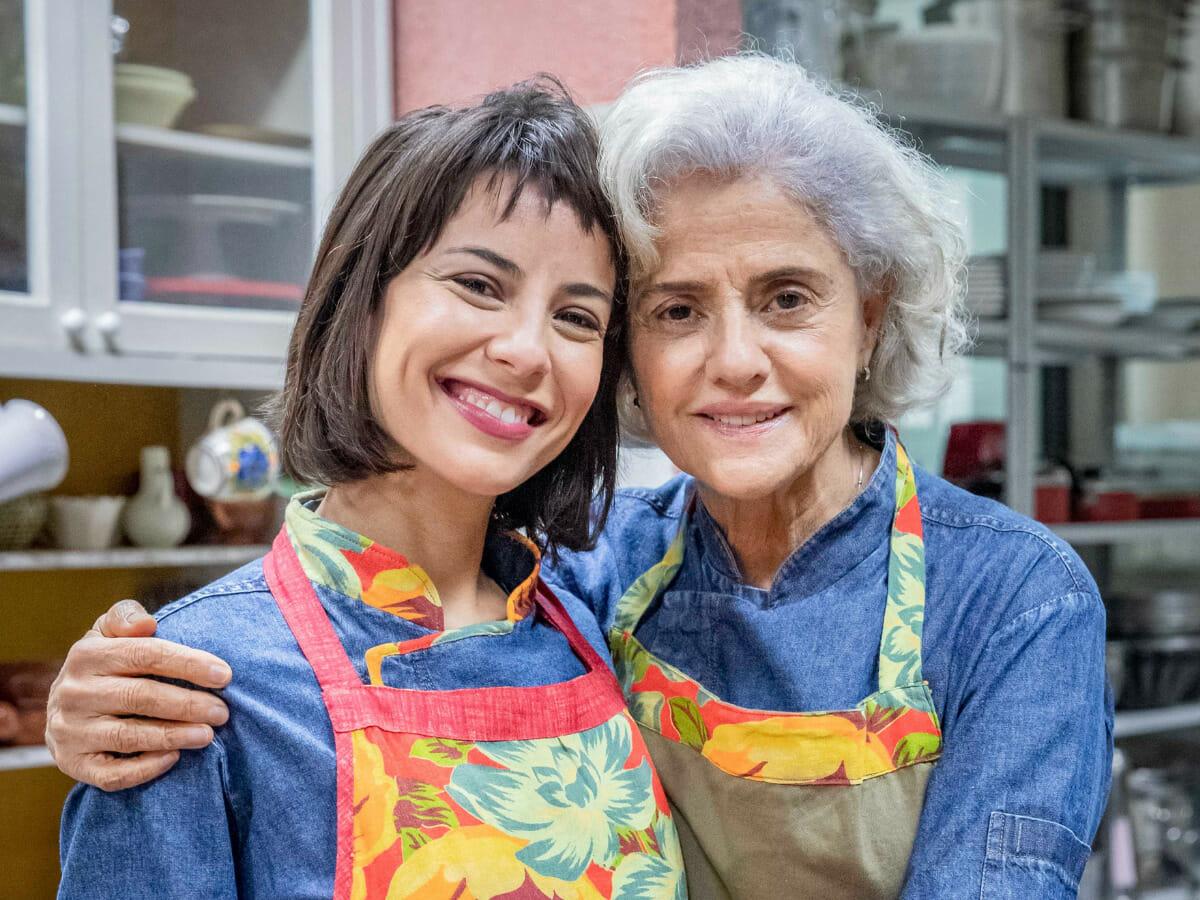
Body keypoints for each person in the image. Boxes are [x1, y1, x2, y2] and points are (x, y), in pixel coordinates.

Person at [48, 56, 1111, 899]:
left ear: (869, 313)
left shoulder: (1014, 597)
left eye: (788, 297)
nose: (734, 359)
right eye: (676, 309)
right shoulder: (595, 577)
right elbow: (362, 598)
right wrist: (107, 697)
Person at [55, 80, 687, 900]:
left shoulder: (602, 615)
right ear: (362, 302)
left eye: (576, 318)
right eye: (479, 284)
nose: (527, 350)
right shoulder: (190, 689)